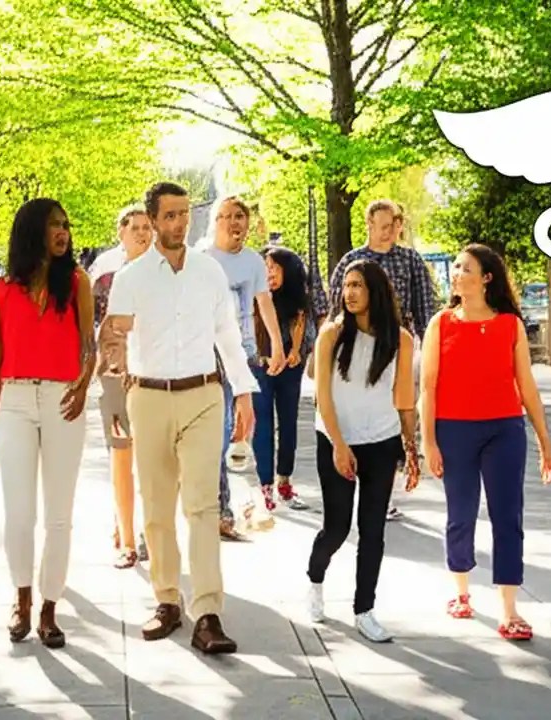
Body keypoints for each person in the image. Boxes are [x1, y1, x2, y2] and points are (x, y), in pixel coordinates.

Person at [103, 181, 256, 654]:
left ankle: (208, 612)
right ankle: (167, 600)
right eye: (168, 216)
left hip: (204, 394)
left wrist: (245, 391)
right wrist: (112, 395)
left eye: (184, 214)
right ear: (151, 221)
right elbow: (114, 339)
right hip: (147, 397)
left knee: (202, 505)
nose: (178, 224)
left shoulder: (208, 272)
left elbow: (227, 335)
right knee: (157, 506)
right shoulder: (131, 278)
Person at [419, 243, 551, 641]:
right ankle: (461, 592)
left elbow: (526, 386)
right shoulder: (440, 324)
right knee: (461, 514)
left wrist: (545, 441)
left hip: (504, 430)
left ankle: (510, 611)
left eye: (466, 268)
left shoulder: (509, 325)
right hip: (454, 430)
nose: (457, 274)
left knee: (507, 517)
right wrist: (428, 441)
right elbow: (427, 386)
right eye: (456, 267)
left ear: (486, 278)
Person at [0, 198, 96, 649]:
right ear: (32, 230)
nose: (63, 233)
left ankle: (50, 607)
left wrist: (84, 385)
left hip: (63, 397)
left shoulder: (78, 281)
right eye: (53, 225)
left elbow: (90, 343)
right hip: (13, 400)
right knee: (19, 513)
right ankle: (21, 598)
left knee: (59, 514)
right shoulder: (0, 288)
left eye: (66, 225)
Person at [305, 260, 418, 642]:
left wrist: (411, 447)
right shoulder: (332, 335)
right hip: (336, 439)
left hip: (382, 442)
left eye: (358, 286)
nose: (349, 293)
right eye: (346, 286)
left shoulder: (400, 339)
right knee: (336, 528)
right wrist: (338, 444)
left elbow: (404, 396)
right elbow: (323, 396)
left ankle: (364, 609)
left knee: (373, 531)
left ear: (376, 291)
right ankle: (315, 580)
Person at [327, 200, 437, 521]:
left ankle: (385, 488)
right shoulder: (351, 261)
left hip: (397, 346)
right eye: (383, 225)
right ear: (370, 226)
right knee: (359, 416)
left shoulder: (410, 260)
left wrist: (430, 344)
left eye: (393, 225)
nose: (389, 232)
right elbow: (337, 308)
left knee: (393, 416)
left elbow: (426, 305)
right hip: (356, 348)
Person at [202, 195, 286, 540]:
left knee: (240, 434)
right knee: (217, 435)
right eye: (226, 216)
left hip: (244, 353)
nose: (234, 223)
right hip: (207, 355)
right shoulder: (202, 258)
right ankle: (220, 511)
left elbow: (263, 303)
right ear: (214, 221)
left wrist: (278, 345)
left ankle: (230, 506)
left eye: (240, 216)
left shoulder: (253, 261)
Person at [91, 205, 154, 568]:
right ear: (121, 233)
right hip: (116, 381)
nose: (143, 233)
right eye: (135, 228)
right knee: (122, 456)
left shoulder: (167, 274)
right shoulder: (106, 277)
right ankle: (127, 539)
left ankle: (144, 528)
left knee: (156, 462)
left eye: (148, 227)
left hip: (156, 379)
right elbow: (94, 328)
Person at [251, 246, 312, 512]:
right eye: (265, 267)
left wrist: (295, 352)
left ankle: (284, 480)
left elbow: (299, 323)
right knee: (262, 424)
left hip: (289, 367)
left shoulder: (297, 299)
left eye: (274, 267)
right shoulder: (254, 294)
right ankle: (265, 485)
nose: (269, 273)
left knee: (288, 423)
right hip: (259, 367)